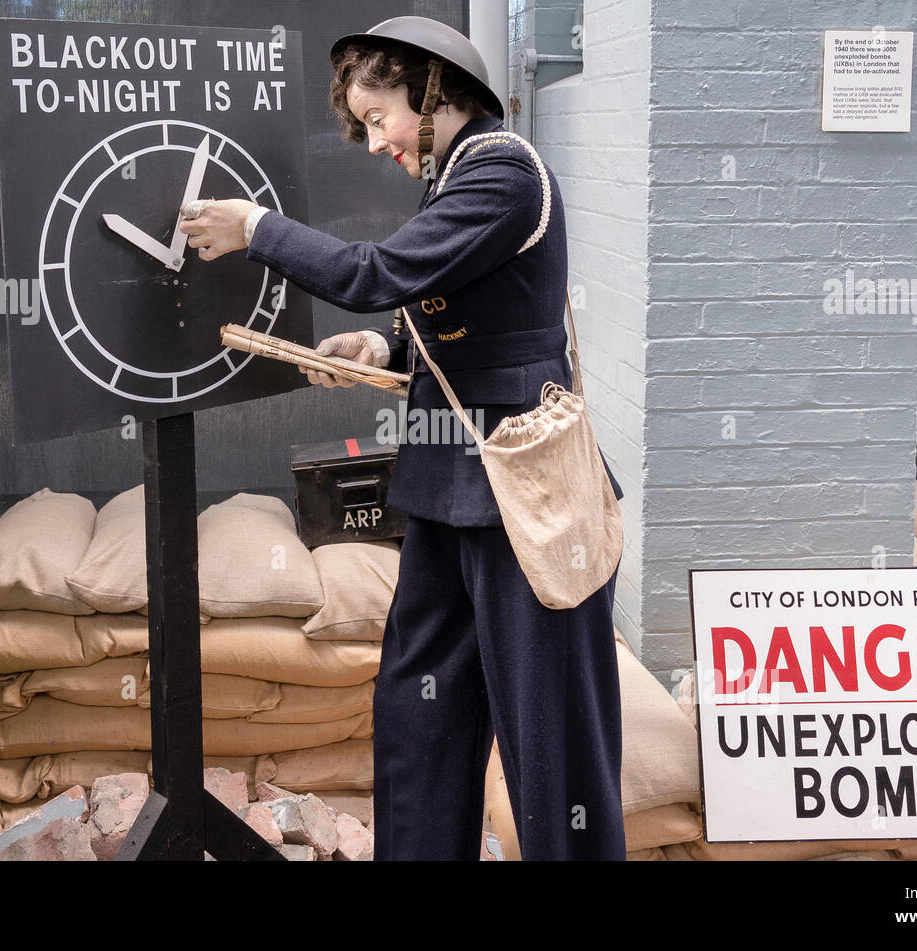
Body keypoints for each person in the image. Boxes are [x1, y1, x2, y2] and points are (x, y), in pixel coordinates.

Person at [179, 16, 627, 861]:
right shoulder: (458, 175)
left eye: (379, 115)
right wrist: (382, 345)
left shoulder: (501, 171)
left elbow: (374, 271)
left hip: (521, 489)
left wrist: (257, 229)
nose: (376, 140)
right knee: (418, 709)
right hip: (452, 482)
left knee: (549, 733)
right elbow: (451, 306)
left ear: (429, 90)